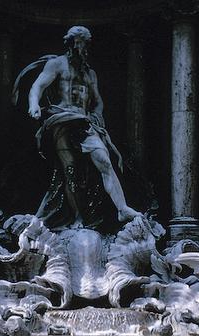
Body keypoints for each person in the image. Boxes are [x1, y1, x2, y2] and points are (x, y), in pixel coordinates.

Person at [18, 26, 140, 231]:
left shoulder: (90, 73)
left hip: (85, 122)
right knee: (71, 170)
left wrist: (98, 116)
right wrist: (33, 104)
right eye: (78, 42)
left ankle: (122, 208)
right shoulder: (56, 64)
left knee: (104, 160)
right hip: (62, 120)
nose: (81, 48)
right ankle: (78, 217)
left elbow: (98, 101)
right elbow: (37, 86)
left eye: (84, 43)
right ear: (70, 43)